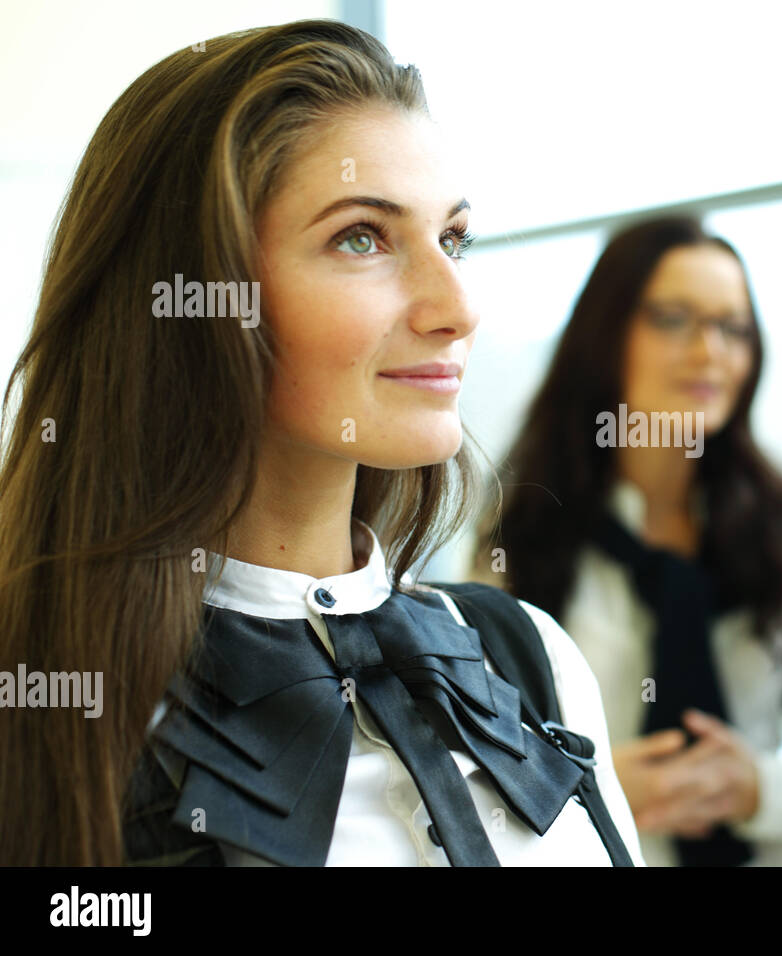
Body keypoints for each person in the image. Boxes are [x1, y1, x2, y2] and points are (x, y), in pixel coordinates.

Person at [0, 19, 642, 867]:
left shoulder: (531, 657)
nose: (458, 305)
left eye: (452, 238)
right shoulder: (46, 703)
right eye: (362, 238)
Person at [475, 216, 782, 866]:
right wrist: (588, 782)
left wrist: (762, 787)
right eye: (674, 319)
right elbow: (478, 746)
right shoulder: (531, 526)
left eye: (733, 327)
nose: (710, 350)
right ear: (607, 333)